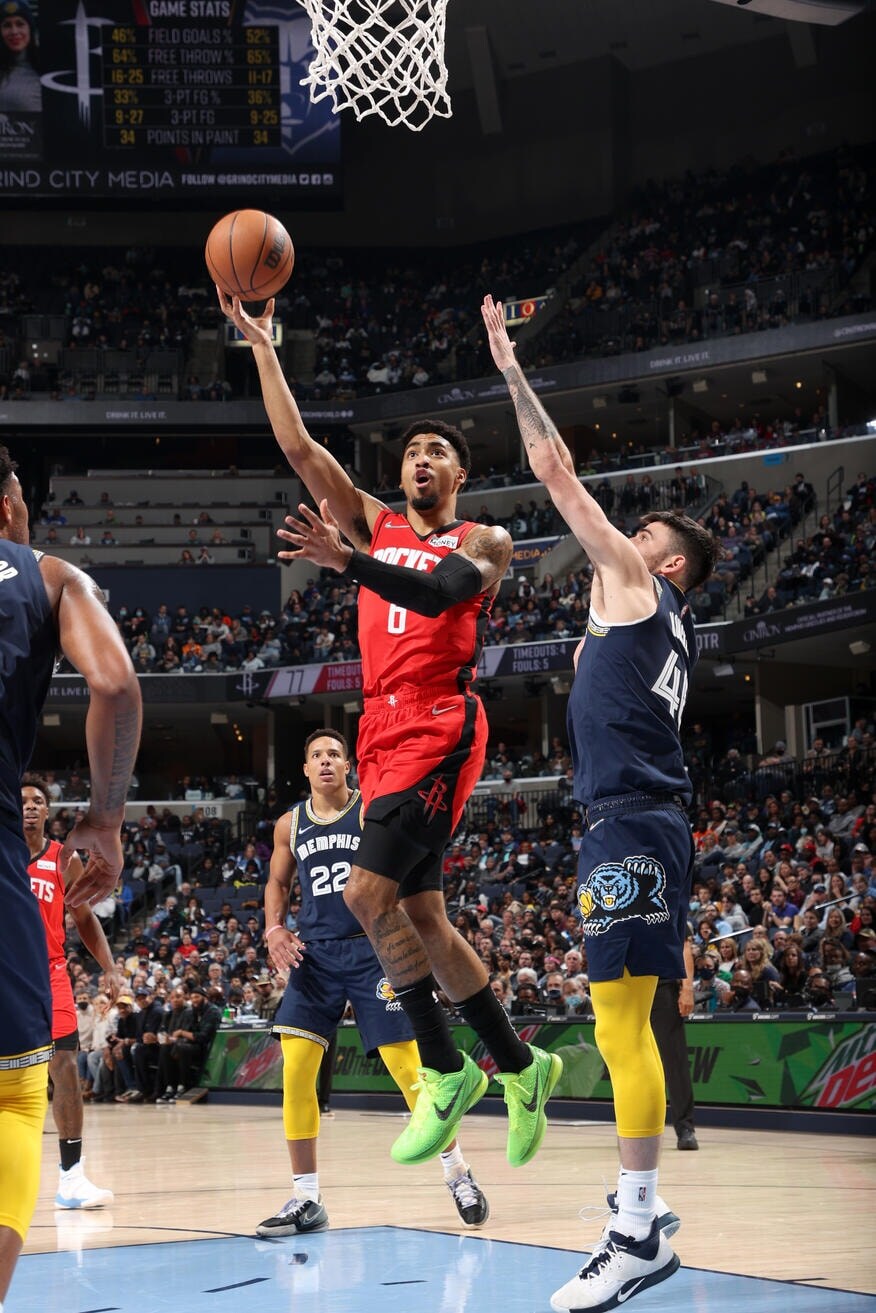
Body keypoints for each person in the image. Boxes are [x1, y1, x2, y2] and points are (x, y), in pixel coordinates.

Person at [220, 289, 562, 1173]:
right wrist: (263, 347)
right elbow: (301, 448)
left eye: (436, 452)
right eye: (410, 452)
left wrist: (349, 563)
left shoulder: (487, 538)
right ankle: (524, 1065)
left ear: (459, 474)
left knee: (365, 897)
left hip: (441, 720)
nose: (420, 461)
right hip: (379, 724)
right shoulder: (372, 520)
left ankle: (446, 1071)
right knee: (422, 914)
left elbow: (443, 596)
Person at [481, 296, 720, 1313]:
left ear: (666, 563)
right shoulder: (664, 626)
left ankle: (636, 1230)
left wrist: (508, 364)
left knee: (621, 1027)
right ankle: (643, 1209)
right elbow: (597, 673)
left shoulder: (634, 579)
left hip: (629, 817)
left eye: (643, 531)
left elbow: (553, 468)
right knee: (626, 1020)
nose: (624, 532)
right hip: (641, 818)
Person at [0, 445, 141, 1304]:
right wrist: (106, 818)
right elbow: (116, 684)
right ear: (7, 506)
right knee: (19, 1094)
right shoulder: (44, 575)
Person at [257, 729, 488, 1235]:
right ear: (305, 768)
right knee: (296, 1070)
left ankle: (458, 1173)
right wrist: (274, 928)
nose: (325, 761)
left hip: (373, 948)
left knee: (408, 1069)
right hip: (315, 954)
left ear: (349, 766)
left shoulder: (370, 811)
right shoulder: (289, 824)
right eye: (316, 755)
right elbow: (277, 881)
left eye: (334, 754)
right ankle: (305, 1197)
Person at [22, 774, 117, 1207]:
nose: (29, 806)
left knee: (64, 1065)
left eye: (37, 801)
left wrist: (110, 968)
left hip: (51, 973)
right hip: (9, 974)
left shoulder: (63, 858)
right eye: (22, 800)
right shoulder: (4, 852)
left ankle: (72, 1177)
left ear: (47, 810)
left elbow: (84, 919)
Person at [649, 930, 698, 1150]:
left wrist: (687, 988)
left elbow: (684, 945)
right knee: (632, 1063)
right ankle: (637, 1128)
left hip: (662, 985)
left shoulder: (669, 907)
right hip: (627, 987)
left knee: (674, 1061)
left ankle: (685, 1128)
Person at [0, 0, 40, 113]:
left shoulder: (47, 69)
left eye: (20, 24)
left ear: (30, 28)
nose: (14, 31)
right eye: (7, 25)